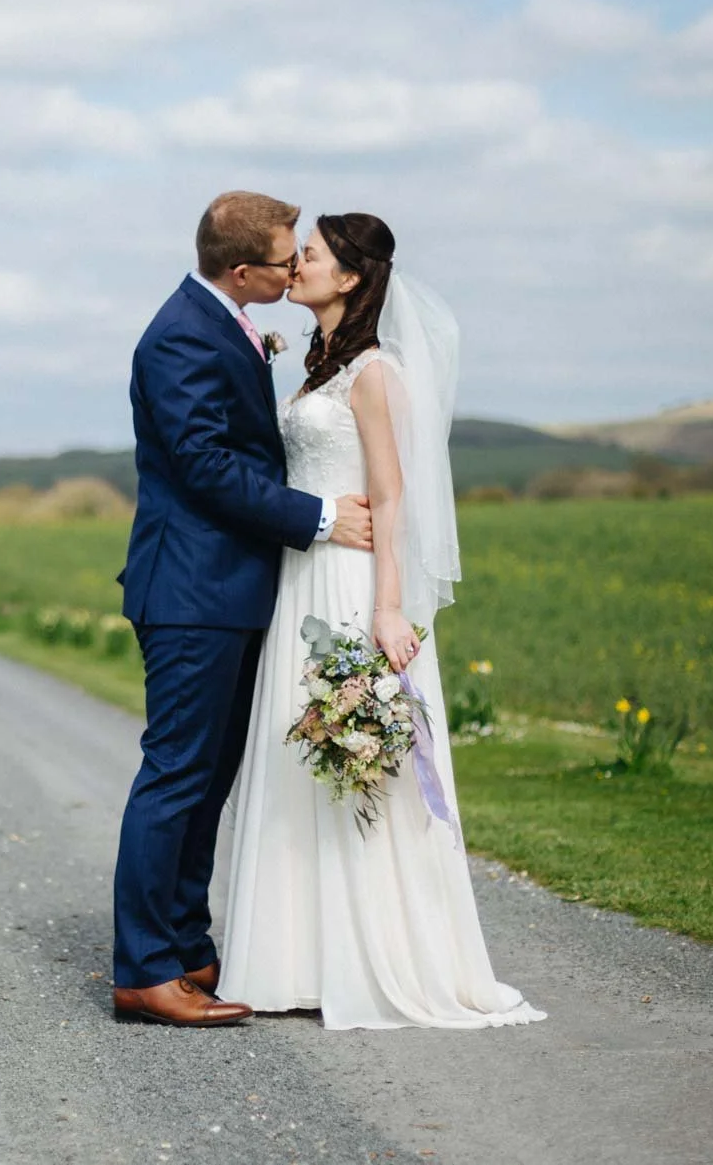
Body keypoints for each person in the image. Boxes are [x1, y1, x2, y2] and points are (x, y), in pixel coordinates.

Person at [216, 211, 547, 1030]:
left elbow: (393, 496)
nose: (298, 263)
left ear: (353, 277)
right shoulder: (316, 367)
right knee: (301, 759)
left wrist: (388, 608)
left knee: (355, 761)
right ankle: (292, 957)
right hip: (302, 577)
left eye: (315, 254)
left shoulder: (373, 373)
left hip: (349, 583)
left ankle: (374, 954)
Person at [111, 191, 375, 1027]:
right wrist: (323, 518)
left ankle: (188, 947)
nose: (296, 268)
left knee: (209, 779)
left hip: (226, 591)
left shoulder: (224, 322)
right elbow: (205, 468)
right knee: (177, 775)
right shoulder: (181, 334)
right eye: (285, 260)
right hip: (190, 592)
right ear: (241, 271)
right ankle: (145, 969)